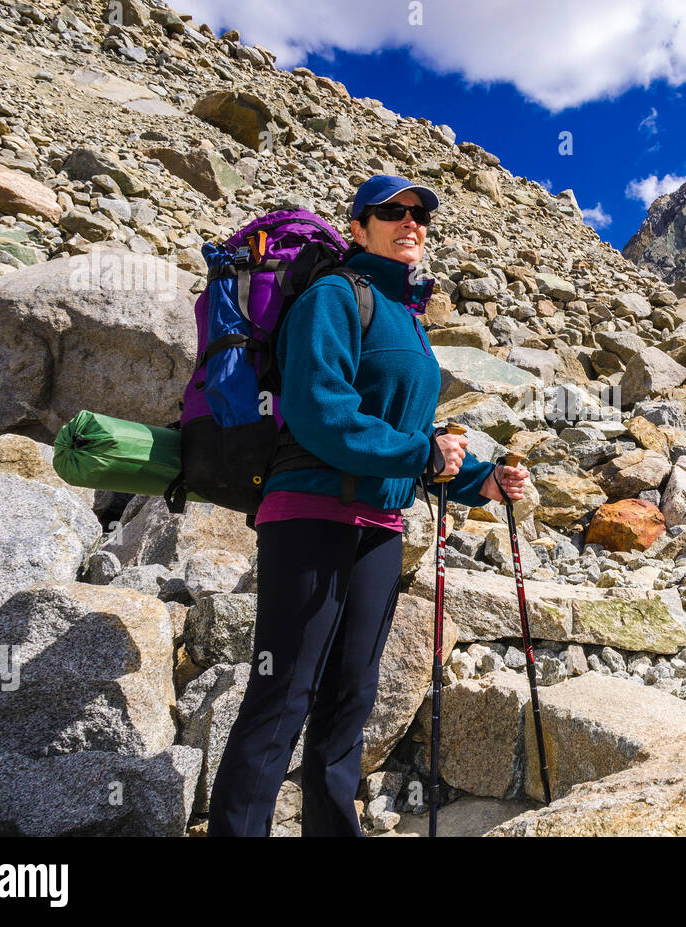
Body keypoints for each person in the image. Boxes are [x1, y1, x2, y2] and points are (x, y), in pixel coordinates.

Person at [207, 175, 531, 837]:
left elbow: (416, 437)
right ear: (358, 228)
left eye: (421, 214)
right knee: (283, 695)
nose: (410, 220)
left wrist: (480, 481)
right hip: (310, 515)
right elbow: (321, 413)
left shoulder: (405, 318)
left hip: (378, 528)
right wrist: (421, 453)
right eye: (391, 211)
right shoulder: (334, 295)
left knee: (349, 699)